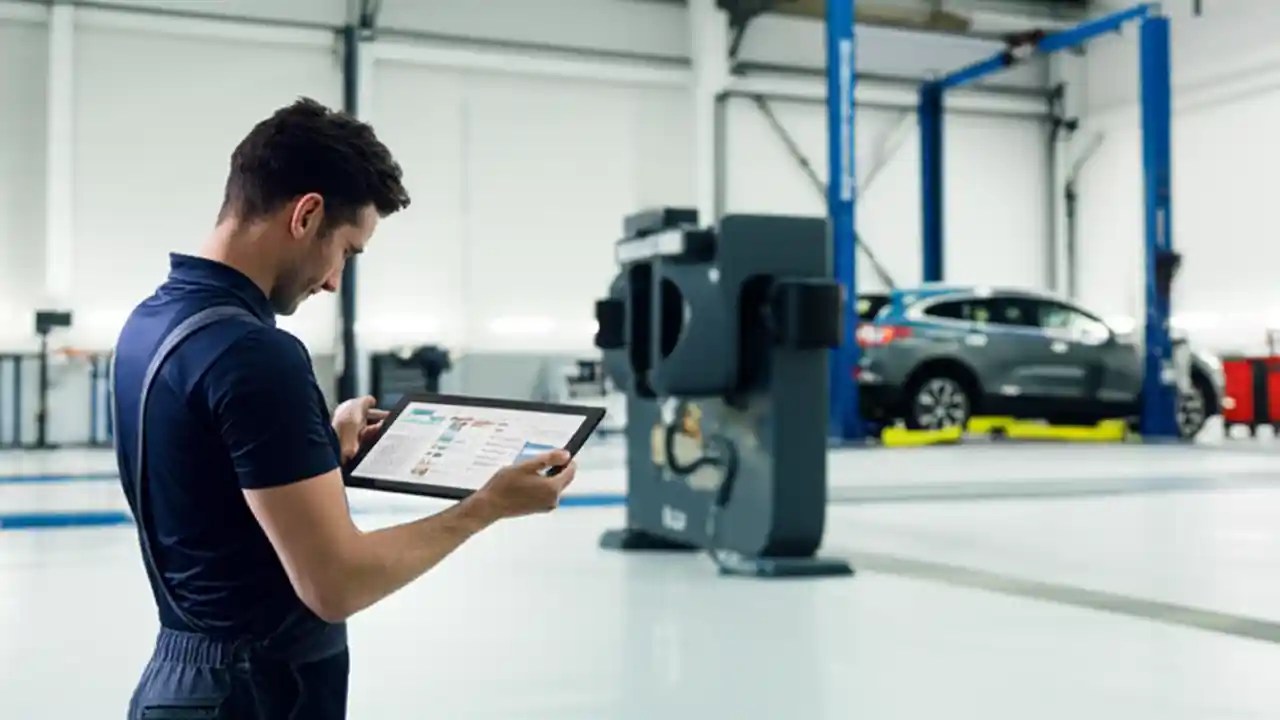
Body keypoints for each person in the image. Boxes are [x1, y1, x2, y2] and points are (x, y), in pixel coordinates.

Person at [111, 97, 578, 719]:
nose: (333, 281)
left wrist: (321, 443)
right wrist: (486, 507)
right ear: (306, 215)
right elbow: (337, 582)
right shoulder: (258, 354)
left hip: (184, 682)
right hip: (255, 694)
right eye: (348, 251)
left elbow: (208, 495)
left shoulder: (153, 321)